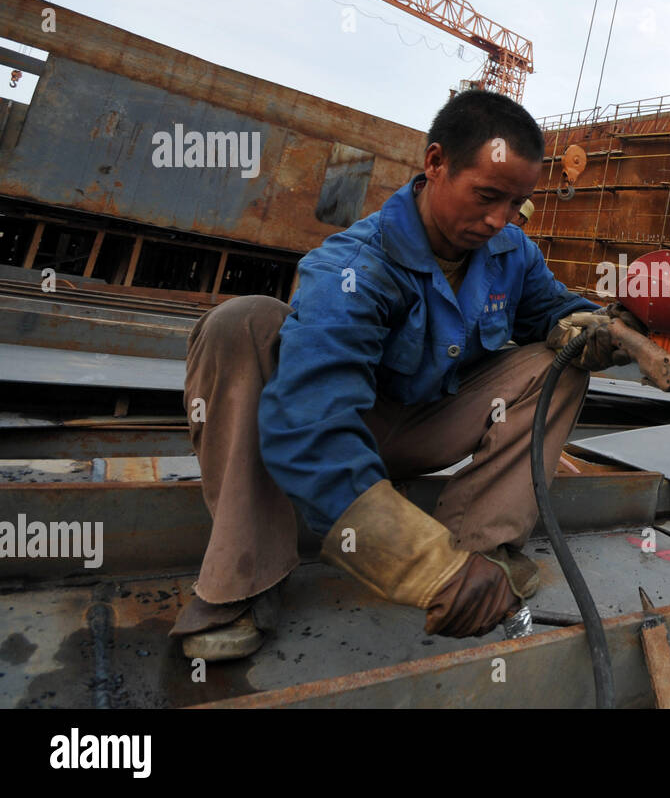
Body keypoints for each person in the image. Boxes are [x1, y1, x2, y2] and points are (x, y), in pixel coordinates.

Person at [171, 90, 635, 660]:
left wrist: (595, 328)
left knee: (558, 362)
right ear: (435, 164)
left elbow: (551, 308)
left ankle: (482, 554)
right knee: (240, 323)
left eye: (517, 205)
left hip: (425, 427)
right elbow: (310, 422)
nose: (499, 220)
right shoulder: (356, 264)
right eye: (487, 197)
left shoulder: (510, 252)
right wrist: (421, 567)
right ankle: (242, 580)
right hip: (352, 424)